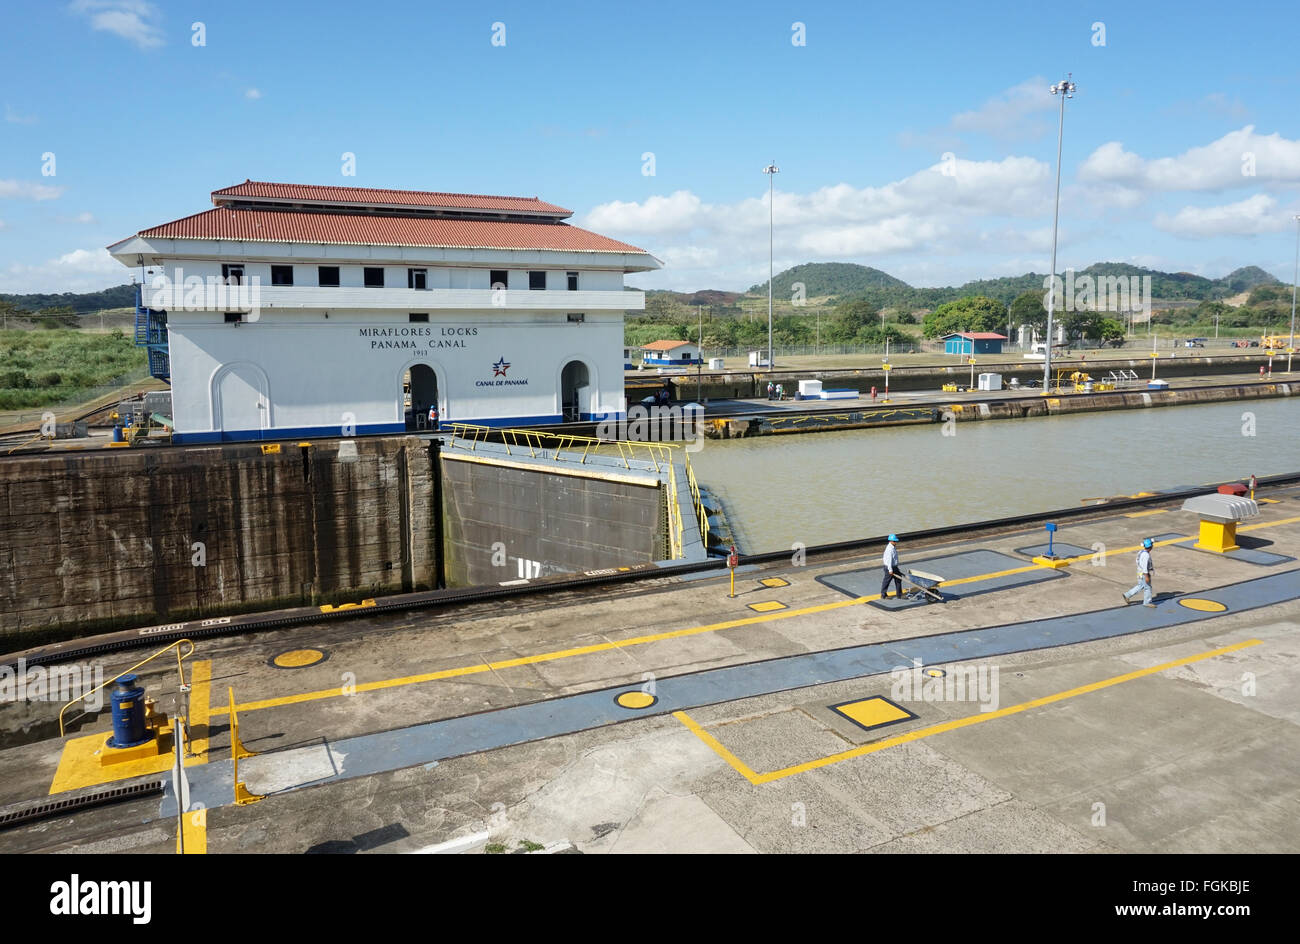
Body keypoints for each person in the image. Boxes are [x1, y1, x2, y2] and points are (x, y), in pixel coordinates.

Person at [1122, 538, 1156, 608]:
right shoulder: (1146, 555)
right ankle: (1147, 602)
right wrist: (1146, 575)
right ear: (1150, 546)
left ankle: (1127, 595)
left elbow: (1137, 561)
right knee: (1147, 587)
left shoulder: (1141, 552)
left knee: (1140, 585)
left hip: (1139, 572)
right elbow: (1144, 566)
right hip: (1143, 573)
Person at [881, 534, 904, 599]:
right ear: (890, 541)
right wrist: (890, 570)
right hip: (889, 567)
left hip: (894, 567)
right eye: (894, 541)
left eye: (896, 541)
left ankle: (899, 594)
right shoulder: (889, 549)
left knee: (898, 579)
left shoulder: (892, 547)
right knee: (886, 581)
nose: (896, 542)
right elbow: (889, 560)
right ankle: (883, 595)